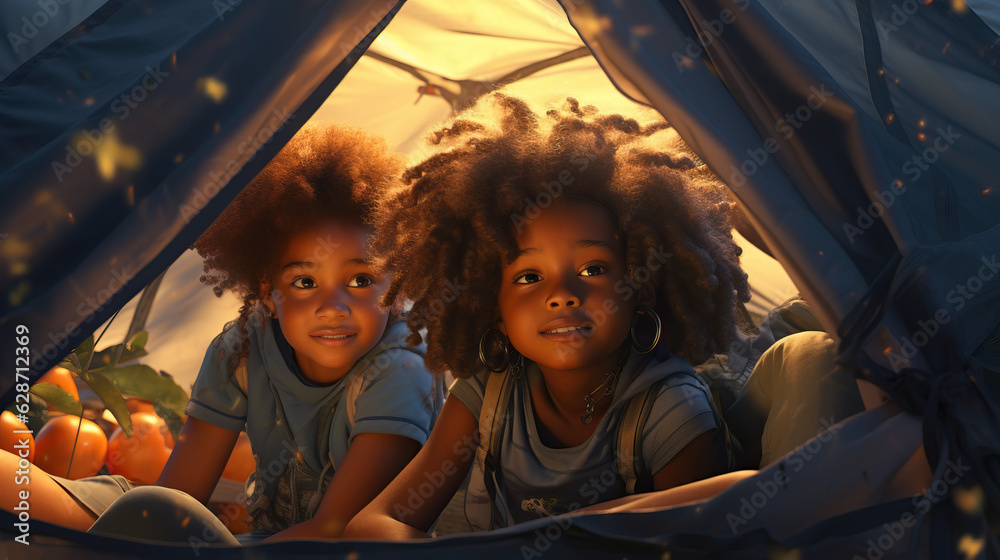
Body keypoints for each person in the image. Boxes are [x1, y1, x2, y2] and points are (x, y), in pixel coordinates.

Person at [1, 123, 442, 544]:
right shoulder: (244, 349)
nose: (332, 307)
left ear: (398, 286)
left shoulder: (401, 365)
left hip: (336, 550)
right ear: (268, 293)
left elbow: (337, 530)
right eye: (304, 283)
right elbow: (178, 497)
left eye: (361, 280)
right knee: (95, 500)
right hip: (251, 542)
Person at [344, 92, 754, 539]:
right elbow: (372, 525)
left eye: (593, 269)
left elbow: (705, 529)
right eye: (528, 276)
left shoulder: (671, 408)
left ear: (641, 290)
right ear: (491, 304)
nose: (562, 296)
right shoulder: (484, 396)